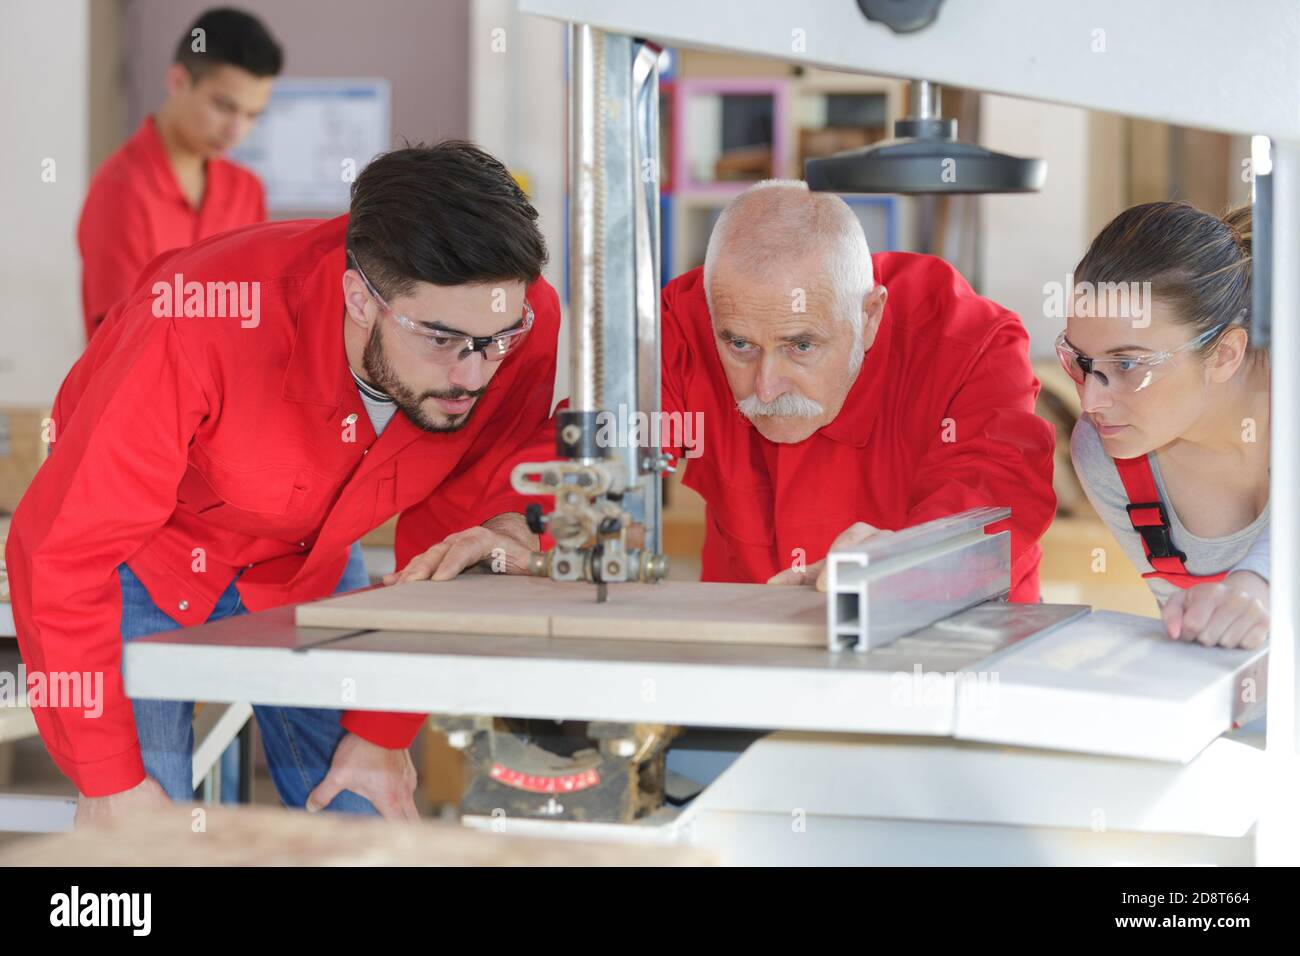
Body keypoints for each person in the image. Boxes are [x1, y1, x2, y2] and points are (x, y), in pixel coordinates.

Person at [8, 142, 559, 825]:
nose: (475, 374)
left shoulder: (506, 321)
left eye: (496, 341)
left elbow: (453, 533)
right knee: (141, 842)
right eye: (442, 341)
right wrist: (108, 782)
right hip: (149, 560)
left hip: (310, 560)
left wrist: (381, 732)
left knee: (364, 819)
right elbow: (64, 550)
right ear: (361, 297)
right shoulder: (196, 322)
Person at [659, 179, 1056, 600]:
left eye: (801, 345)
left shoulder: (970, 346)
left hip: (950, 642)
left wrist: (905, 560)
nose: (767, 387)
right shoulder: (694, 318)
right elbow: (605, 439)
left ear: (869, 316)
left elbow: (992, 495)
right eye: (740, 345)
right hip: (751, 638)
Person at [1064, 201, 1268, 649]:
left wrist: (1257, 586)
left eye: (1129, 364)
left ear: (1226, 354)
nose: (1091, 400)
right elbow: (1203, 644)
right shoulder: (1105, 455)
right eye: (1080, 361)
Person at [78, 6, 282, 340]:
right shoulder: (121, 190)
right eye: (224, 106)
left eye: (252, 115)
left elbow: (256, 311)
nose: (236, 130)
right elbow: (122, 337)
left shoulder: (246, 190)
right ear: (178, 81)